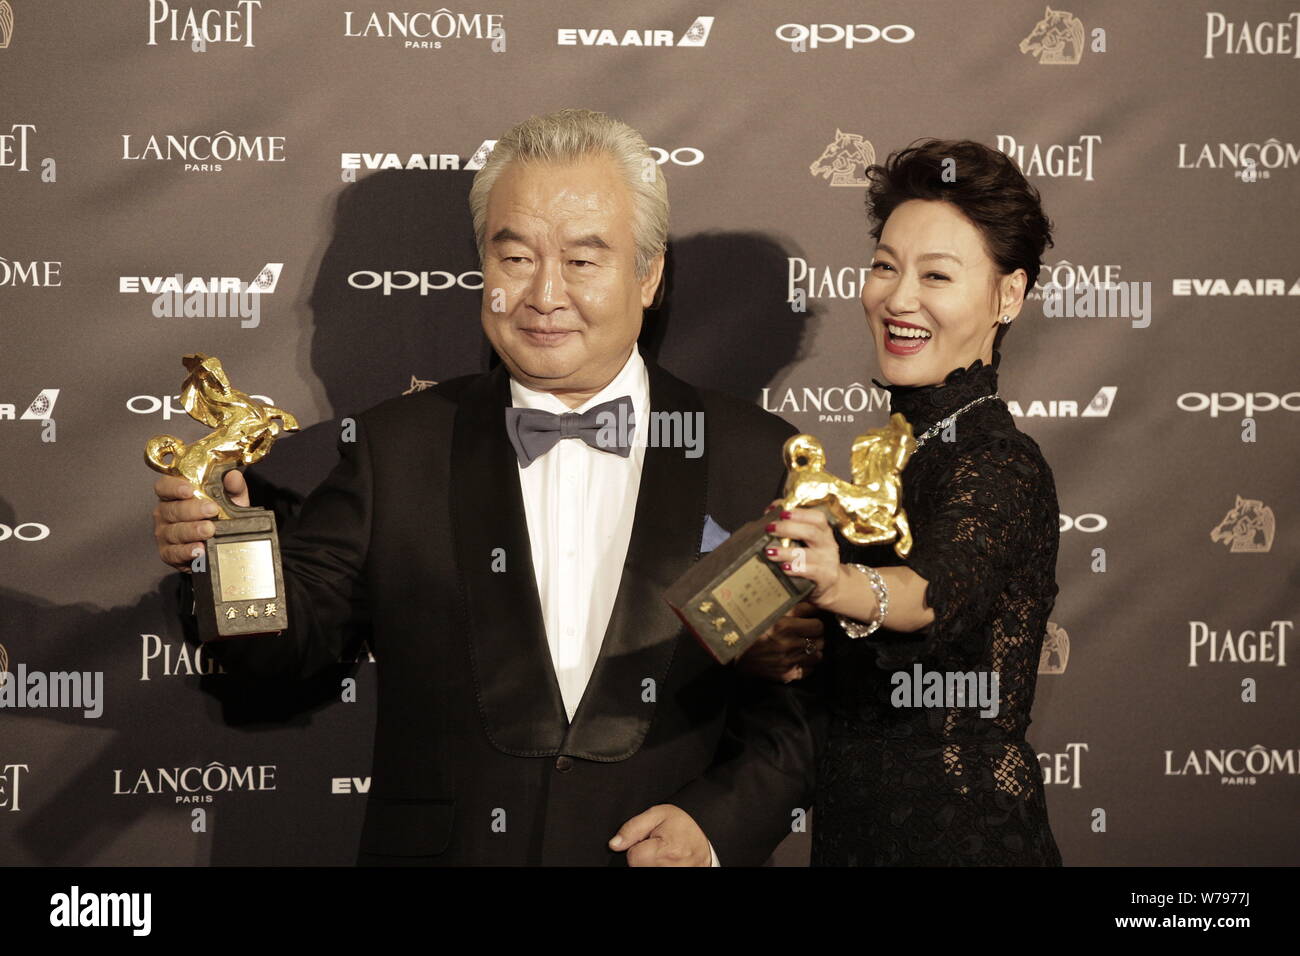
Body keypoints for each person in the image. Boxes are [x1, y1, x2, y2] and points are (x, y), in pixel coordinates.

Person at [151, 108, 826, 866]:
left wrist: (713, 830)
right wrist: (229, 544)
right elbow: (275, 661)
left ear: (649, 274)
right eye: (515, 258)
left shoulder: (755, 457)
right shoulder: (395, 447)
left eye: (582, 260)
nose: (543, 294)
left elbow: (795, 705)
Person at [760, 139, 1063, 865]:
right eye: (886, 267)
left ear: (1008, 296)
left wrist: (839, 583)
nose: (898, 298)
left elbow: (931, 592)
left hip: (961, 839)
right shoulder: (896, 450)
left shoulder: (998, 461)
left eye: (936, 275)